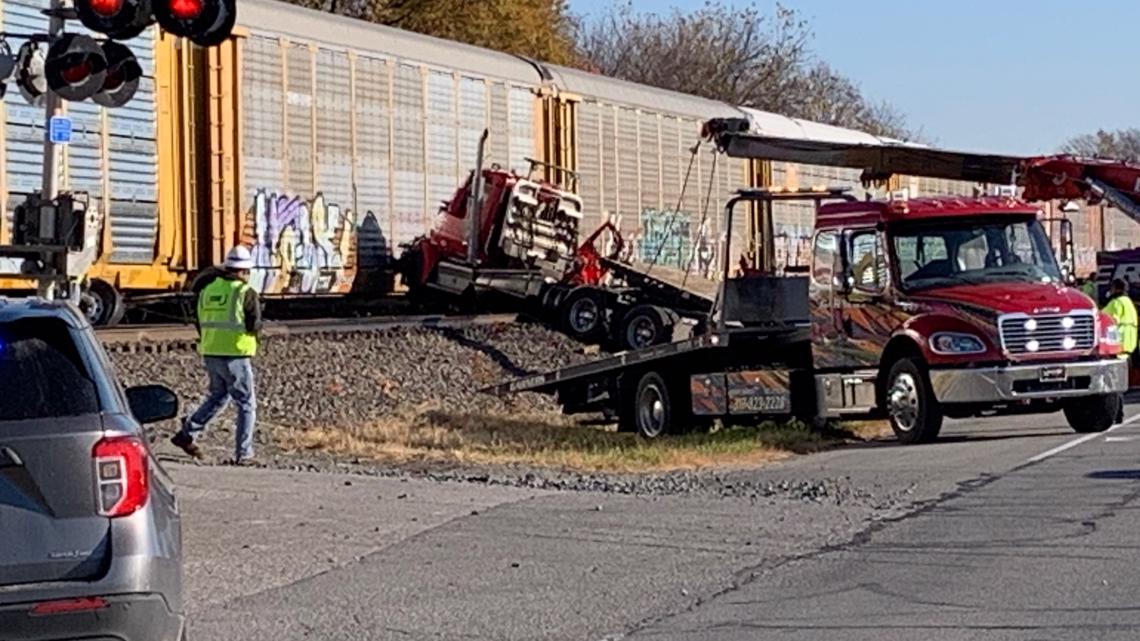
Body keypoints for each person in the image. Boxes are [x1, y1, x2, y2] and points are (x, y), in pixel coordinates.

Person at [170, 246, 263, 464]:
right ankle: (244, 453)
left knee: (218, 396)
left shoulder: (208, 290)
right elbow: (254, 325)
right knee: (246, 404)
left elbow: (200, 322)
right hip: (236, 354)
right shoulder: (245, 293)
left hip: (211, 352)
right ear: (244, 271)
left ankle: (187, 434)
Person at [1103, 278, 1137, 424]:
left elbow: (1106, 320)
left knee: (1115, 385)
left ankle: (1118, 413)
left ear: (1115, 288)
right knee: (1122, 384)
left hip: (1117, 346)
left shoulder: (1116, 303)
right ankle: (1119, 413)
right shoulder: (1129, 303)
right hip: (1129, 346)